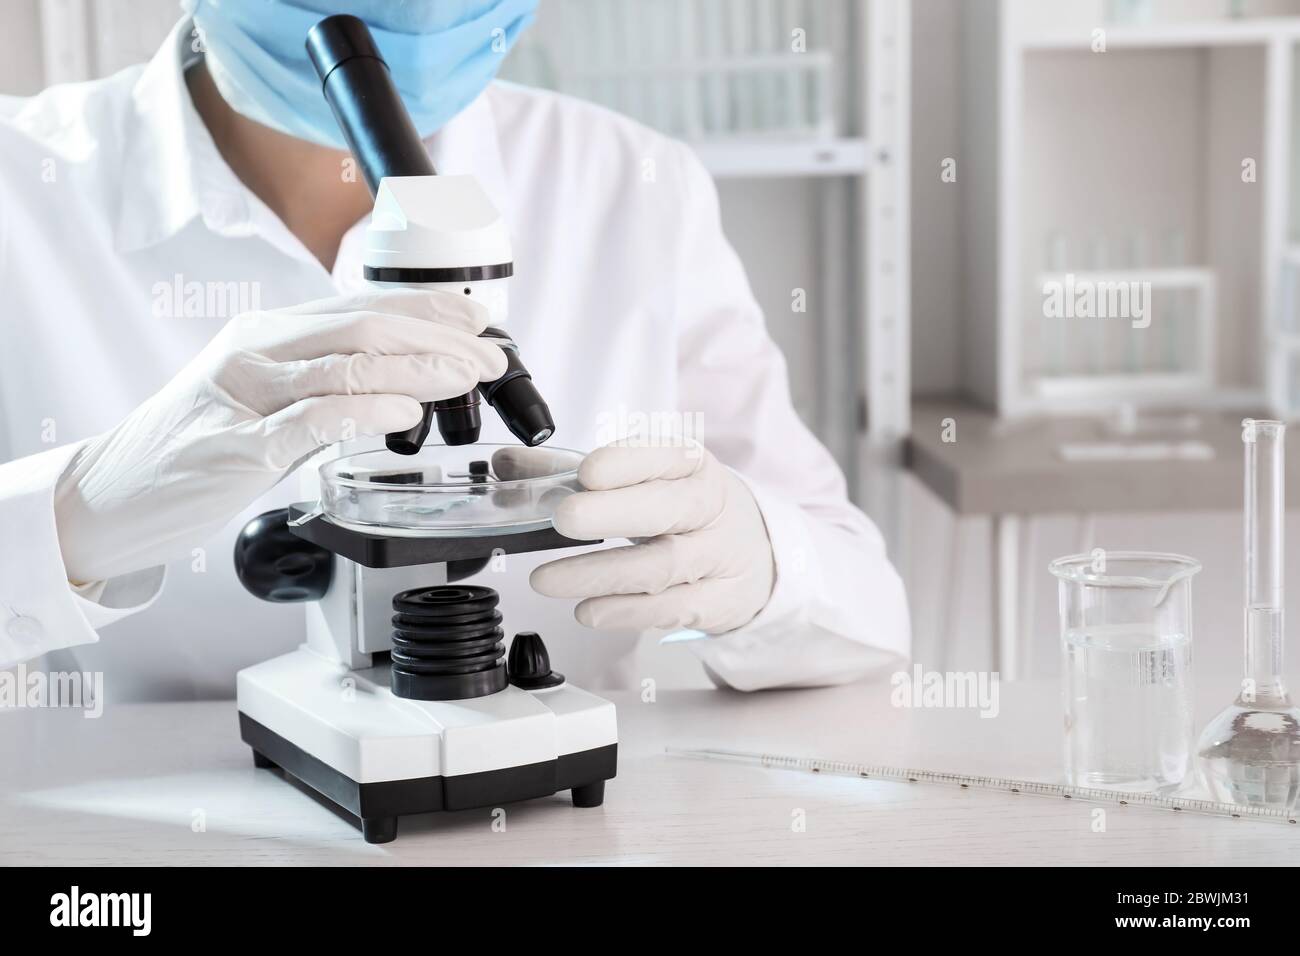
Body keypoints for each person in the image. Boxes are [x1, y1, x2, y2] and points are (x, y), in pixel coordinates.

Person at [0, 0, 908, 700]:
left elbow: (870, 621)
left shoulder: (632, 183)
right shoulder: (23, 189)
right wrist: (69, 518)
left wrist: (760, 565)